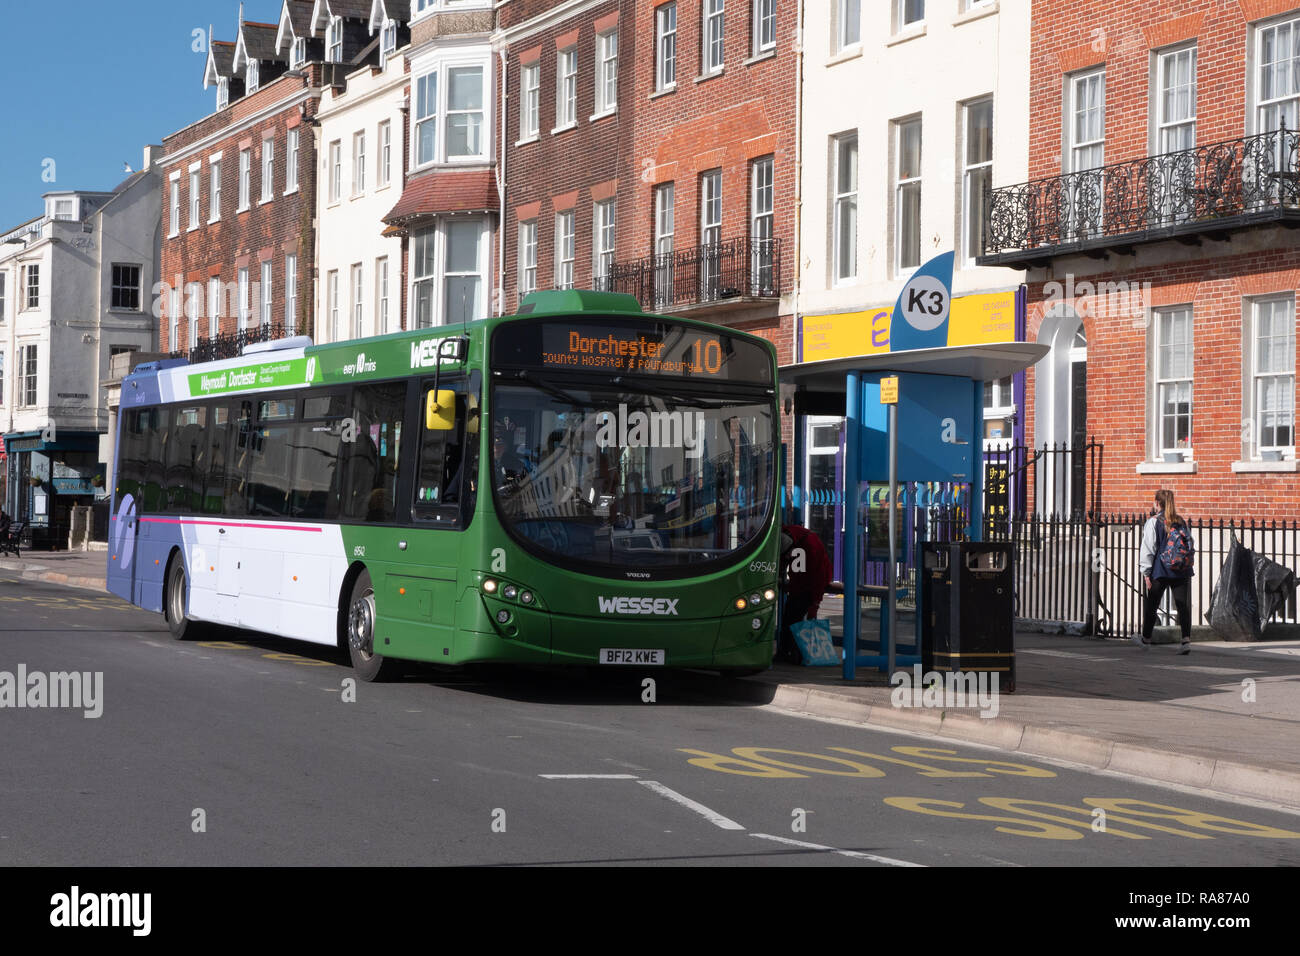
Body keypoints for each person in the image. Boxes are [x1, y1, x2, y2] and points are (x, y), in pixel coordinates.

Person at [1137, 488, 1194, 654]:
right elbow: (1190, 542)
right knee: (1183, 606)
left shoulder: (1154, 522)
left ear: (1157, 503)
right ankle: (1185, 641)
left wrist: (1146, 572)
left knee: (1152, 605)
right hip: (1181, 570)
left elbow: (1148, 548)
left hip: (1160, 570)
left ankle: (1146, 640)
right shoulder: (1181, 521)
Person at [777, 524, 833, 664]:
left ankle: (793, 654)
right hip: (800, 586)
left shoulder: (810, 546)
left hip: (807, 588)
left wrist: (815, 602)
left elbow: (817, 577)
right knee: (790, 619)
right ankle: (790, 653)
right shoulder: (795, 538)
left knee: (791, 619)